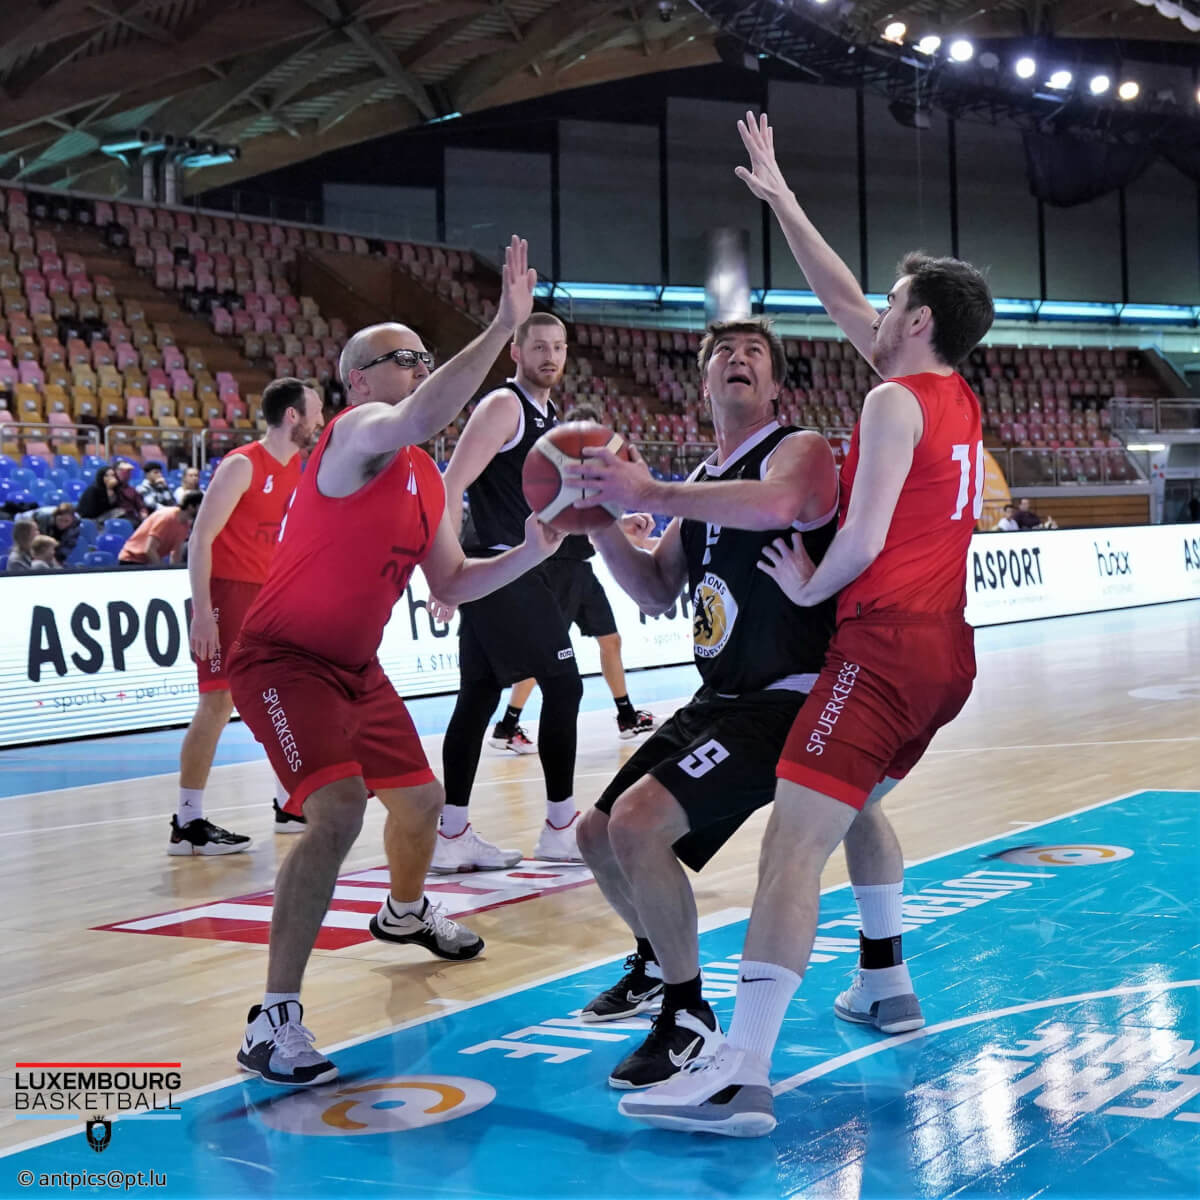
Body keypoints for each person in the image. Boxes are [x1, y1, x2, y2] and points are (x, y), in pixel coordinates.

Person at [618, 111, 995, 1136]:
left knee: (791, 849)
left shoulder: (885, 406)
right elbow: (841, 297)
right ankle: (885, 984)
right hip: (947, 657)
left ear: (913, 321)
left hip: (880, 651)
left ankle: (740, 1073)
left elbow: (863, 535)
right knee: (853, 812)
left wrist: (811, 578)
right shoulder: (948, 392)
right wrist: (782, 198)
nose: (872, 310)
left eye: (892, 303)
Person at [229, 236, 559, 1088]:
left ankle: (404, 914)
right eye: (401, 358)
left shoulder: (421, 475)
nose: (418, 366)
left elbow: (453, 578)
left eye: (423, 356)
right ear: (358, 381)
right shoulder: (357, 434)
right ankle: (274, 1020)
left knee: (420, 806)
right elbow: (422, 416)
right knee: (337, 812)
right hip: (281, 659)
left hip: (355, 666)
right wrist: (500, 328)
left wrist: (537, 546)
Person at [565, 316, 839, 1089]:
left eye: (754, 352)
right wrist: (601, 526)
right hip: (718, 697)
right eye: (724, 352)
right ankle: (659, 961)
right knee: (596, 833)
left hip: (787, 700)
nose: (738, 359)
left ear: (775, 384)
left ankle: (687, 1013)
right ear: (706, 381)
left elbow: (782, 504)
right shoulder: (700, 481)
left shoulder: (798, 449)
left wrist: (648, 489)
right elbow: (655, 590)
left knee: (639, 822)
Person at [432, 312, 586, 873]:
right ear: (516, 352)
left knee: (477, 696)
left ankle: (451, 834)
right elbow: (452, 483)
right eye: (538, 346)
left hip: (522, 569)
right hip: (499, 569)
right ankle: (560, 828)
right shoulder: (505, 406)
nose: (549, 355)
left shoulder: (550, 417)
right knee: (564, 685)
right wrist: (444, 573)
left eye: (558, 347)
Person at [168, 377, 325, 857]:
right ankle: (187, 823)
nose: (321, 421)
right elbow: (199, 540)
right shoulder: (243, 464)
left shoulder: (303, 468)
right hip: (227, 592)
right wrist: (202, 614)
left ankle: (287, 804)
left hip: (273, 596)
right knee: (218, 705)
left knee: (287, 695)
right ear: (293, 416)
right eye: (316, 412)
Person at [487, 405, 658, 757]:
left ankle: (626, 716)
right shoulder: (554, 473)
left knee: (611, 640)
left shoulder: (592, 477)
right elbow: (564, 522)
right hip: (556, 569)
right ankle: (507, 725)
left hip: (581, 568)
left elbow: (591, 525)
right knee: (547, 656)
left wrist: (625, 525)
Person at [117, 492, 202, 564]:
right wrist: (162, 570)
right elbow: (149, 549)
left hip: (147, 562)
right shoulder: (166, 517)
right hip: (131, 560)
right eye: (200, 506)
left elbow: (176, 554)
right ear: (191, 506)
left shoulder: (185, 524)